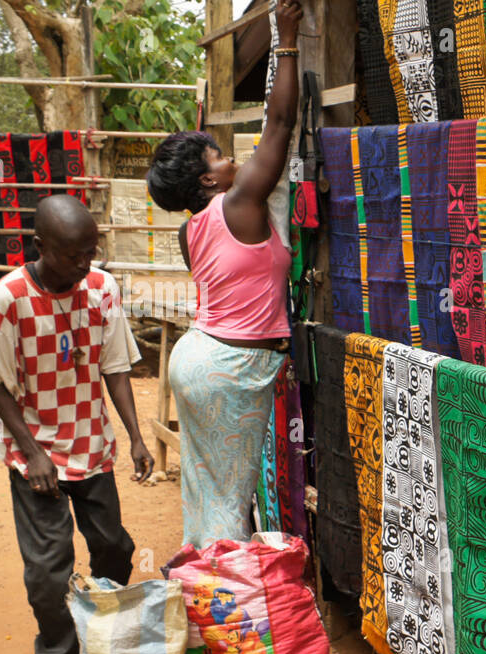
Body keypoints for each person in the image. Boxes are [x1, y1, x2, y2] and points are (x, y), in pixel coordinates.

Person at [0, 194, 153, 654]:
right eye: (73, 255)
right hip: (36, 454)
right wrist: (31, 452)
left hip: (90, 444)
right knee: (49, 562)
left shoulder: (101, 288)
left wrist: (136, 436)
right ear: (40, 247)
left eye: (90, 253)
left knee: (114, 548)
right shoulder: (6, 299)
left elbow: (114, 364)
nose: (84, 264)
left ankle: (97, 634)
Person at [145, 0, 303, 548]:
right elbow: (281, 124)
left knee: (205, 491)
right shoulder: (239, 203)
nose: (234, 162)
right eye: (220, 159)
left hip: (198, 358)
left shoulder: (191, 233)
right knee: (228, 503)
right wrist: (286, 37)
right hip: (232, 367)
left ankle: (202, 597)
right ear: (209, 183)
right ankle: (222, 615)